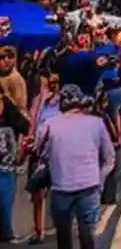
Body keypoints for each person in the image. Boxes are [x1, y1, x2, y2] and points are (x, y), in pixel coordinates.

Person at [37, 86, 114, 249]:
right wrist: (100, 182)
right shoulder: (97, 123)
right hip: (89, 186)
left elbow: (39, 150)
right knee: (88, 237)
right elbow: (109, 158)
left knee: (63, 239)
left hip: (60, 188)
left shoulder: (50, 125)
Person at [25, 72, 62, 245]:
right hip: (40, 152)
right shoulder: (37, 102)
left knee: (61, 190)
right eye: (49, 81)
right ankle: (38, 230)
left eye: (55, 81)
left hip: (59, 151)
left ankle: (62, 222)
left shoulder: (63, 102)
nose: (51, 84)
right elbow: (32, 123)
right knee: (37, 192)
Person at [0, 63, 31, 244]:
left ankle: (7, 231)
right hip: (6, 160)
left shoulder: (8, 106)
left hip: (6, 162)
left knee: (5, 197)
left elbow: (23, 126)